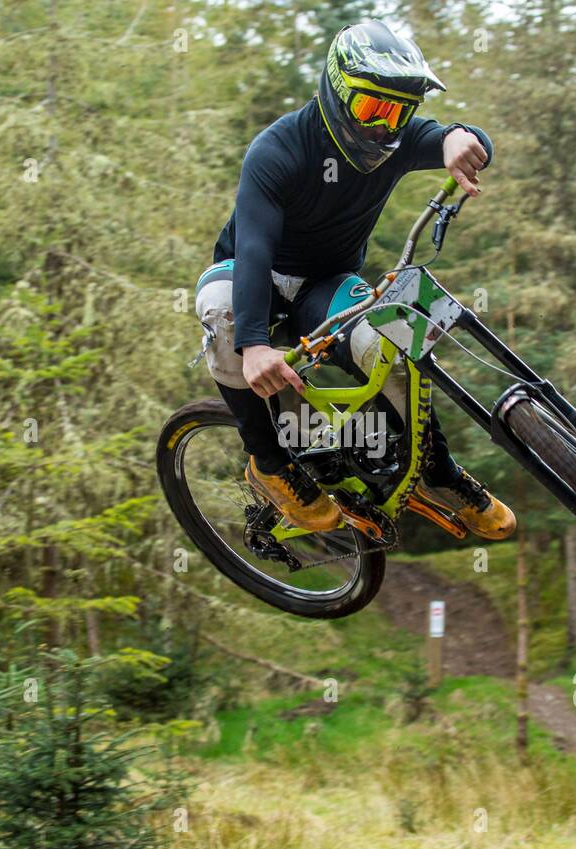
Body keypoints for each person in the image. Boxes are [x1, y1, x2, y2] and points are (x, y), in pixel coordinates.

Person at [194, 19, 515, 540]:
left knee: (395, 340)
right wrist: (254, 345)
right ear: (339, 93)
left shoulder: (397, 139)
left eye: (398, 112)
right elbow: (254, 248)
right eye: (372, 109)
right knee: (226, 315)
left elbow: (455, 138)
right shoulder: (278, 151)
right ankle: (270, 463)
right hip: (254, 276)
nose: (383, 126)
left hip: (326, 285)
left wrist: (464, 138)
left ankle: (438, 470)